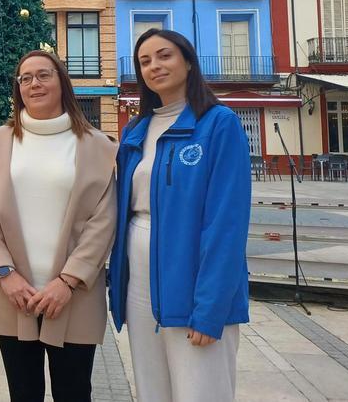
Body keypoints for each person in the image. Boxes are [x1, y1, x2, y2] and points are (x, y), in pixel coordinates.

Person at [107, 29, 251, 402]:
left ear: (187, 61)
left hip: (191, 281)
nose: (154, 66)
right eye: (145, 61)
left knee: (201, 390)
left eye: (164, 55)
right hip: (139, 279)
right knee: (152, 388)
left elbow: (226, 223)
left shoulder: (219, 124)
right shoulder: (136, 131)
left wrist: (210, 308)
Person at [0, 50, 118, 402]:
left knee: (74, 391)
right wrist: (5, 273)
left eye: (43, 75)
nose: (33, 84)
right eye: (25, 78)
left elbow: (103, 219)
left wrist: (68, 281)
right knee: (23, 392)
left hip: (74, 294)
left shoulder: (97, 146)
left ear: (61, 81)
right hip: (12, 292)